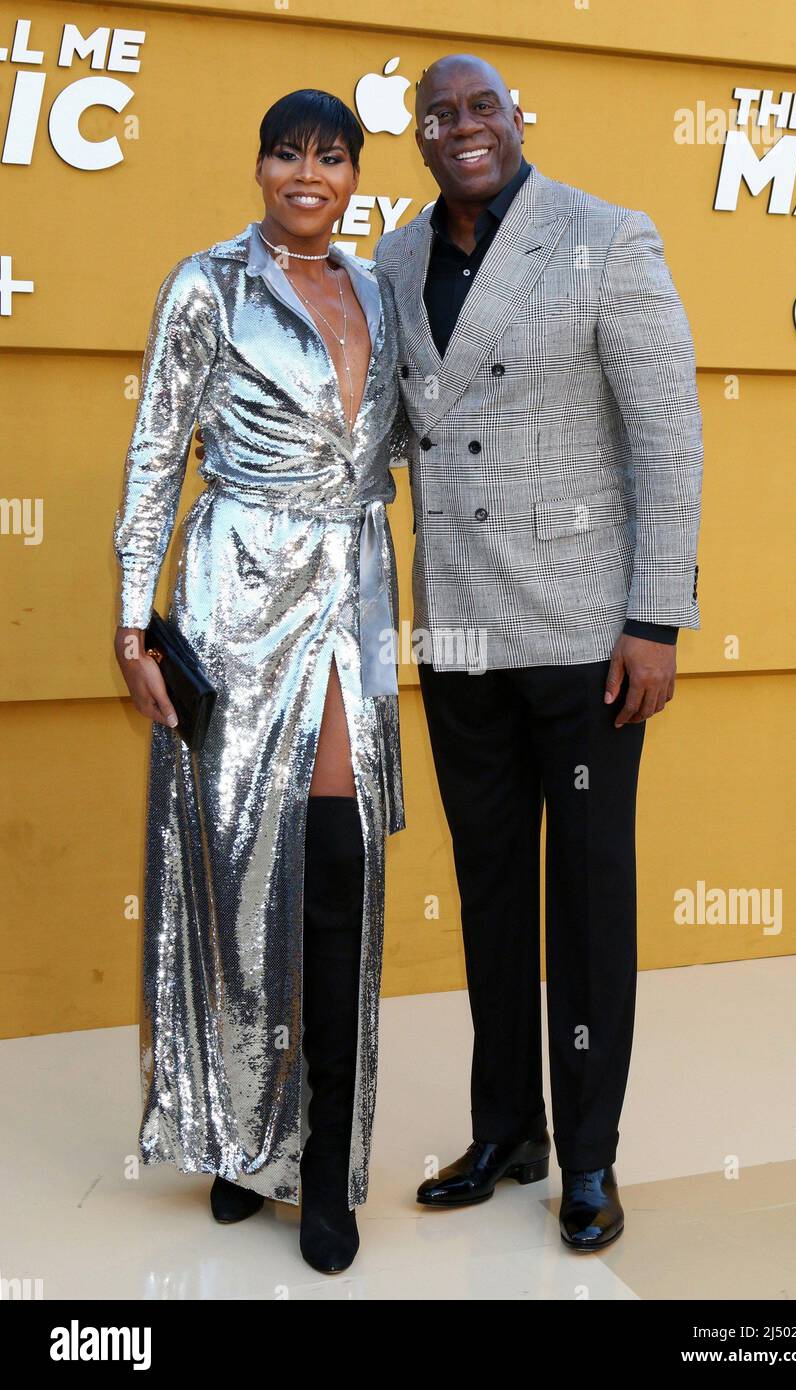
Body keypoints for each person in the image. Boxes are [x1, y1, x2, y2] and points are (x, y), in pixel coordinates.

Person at [374, 54, 703, 1252]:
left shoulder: (605, 237)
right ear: (417, 138)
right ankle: (506, 1125)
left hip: (581, 635)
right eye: (437, 115)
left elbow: (669, 438)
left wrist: (654, 618)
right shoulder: (397, 259)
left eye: (479, 108)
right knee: (491, 892)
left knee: (586, 901)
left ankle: (590, 1156)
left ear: (513, 119)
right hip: (458, 627)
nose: (461, 128)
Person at [113, 89, 407, 1275]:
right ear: (258, 166)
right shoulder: (208, 284)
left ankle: (322, 1167)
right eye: (286, 152)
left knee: (335, 862)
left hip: (349, 596)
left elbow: (394, 446)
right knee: (236, 882)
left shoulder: (379, 291)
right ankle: (240, 1141)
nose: (306, 173)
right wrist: (134, 624)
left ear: (351, 176)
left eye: (329, 157)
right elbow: (154, 450)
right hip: (236, 595)